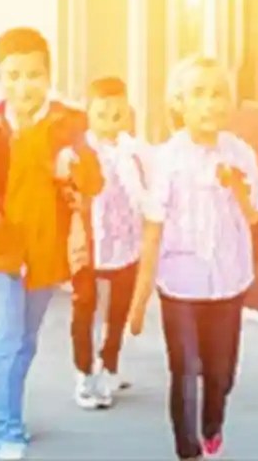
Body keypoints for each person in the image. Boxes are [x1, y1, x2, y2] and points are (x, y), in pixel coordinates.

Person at [0, 27, 102, 460]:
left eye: (33, 74)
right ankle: (6, 429)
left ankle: (13, 412)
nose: (23, 85)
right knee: (7, 334)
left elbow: (94, 180)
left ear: (48, 75)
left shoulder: (68, 123)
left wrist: (71, 163)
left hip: (45, 248)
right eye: (13, 75)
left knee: (25, 339)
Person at [128, 56, 258, 461]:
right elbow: (153, 230)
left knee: (221, 374)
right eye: (199, 94)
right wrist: (138, 303)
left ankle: (213, 428)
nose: (210, 103)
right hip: (181, 283)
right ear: (180, 103)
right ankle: (188, 452)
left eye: (218, 93)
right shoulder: (168, 158)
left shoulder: (240, 152)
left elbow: (255, 211)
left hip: (228, 281)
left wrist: (236, 184)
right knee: (185, 369)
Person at [69, 77, 145, 410]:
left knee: (120, 308)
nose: (111, 123)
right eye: (103, 114)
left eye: (118, 114)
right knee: (84, 307)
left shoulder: (133, 150)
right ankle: (85, 374)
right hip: (88, 243)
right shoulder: (77, 152)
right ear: (88, 113)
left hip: (126, 242)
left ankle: (110, 364)